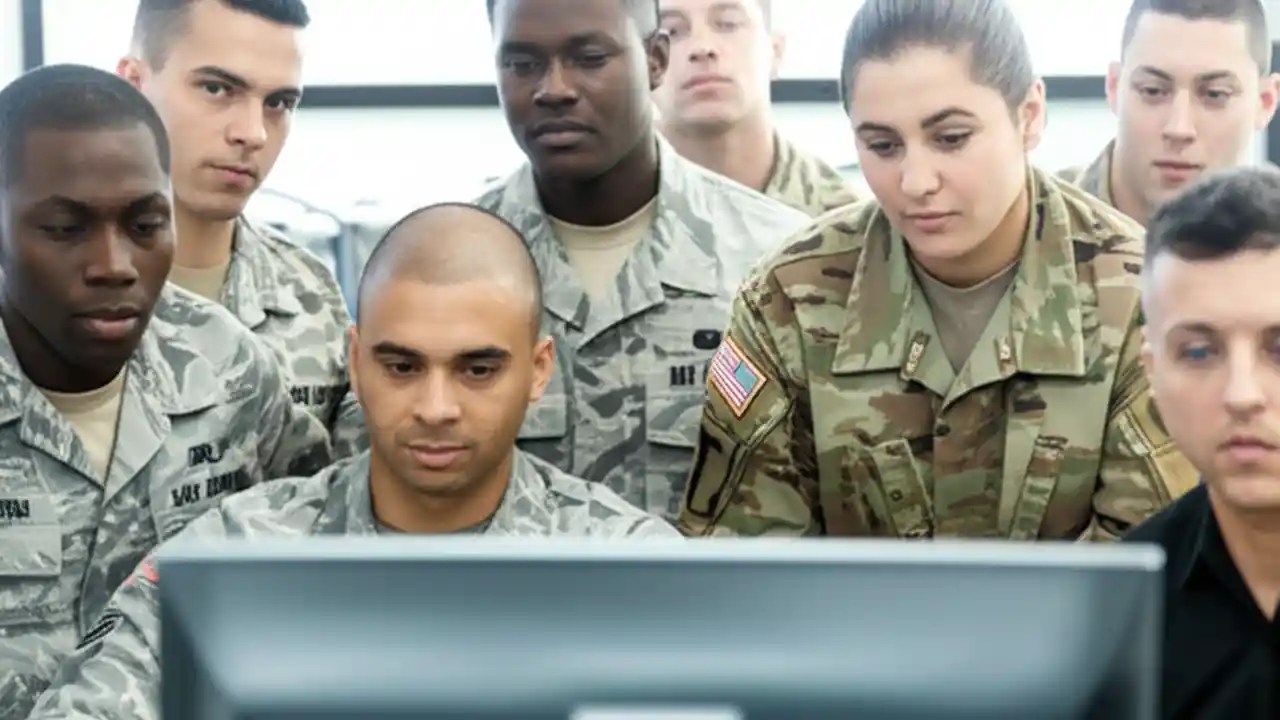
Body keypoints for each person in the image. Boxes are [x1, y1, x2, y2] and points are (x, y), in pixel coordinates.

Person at [26, 202, 680, 720]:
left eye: (478, 369)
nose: (435, 406)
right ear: (356, 361)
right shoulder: (243, 558)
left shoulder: (631, 568)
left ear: (538, 371)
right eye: (402, 366)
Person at [678, 0, 1198, 541]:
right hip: (844, 627)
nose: (916, 181)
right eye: (882, 145)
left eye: (951, 138)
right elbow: (747, 565)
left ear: (1029, 116)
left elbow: (1154, 566)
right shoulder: (790, 301)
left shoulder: (1141, 297)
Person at [0, 64, 332, 719]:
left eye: (146, 225)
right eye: (65, 230)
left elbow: (319, 546)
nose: (115, 266)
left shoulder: (227, 365)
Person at [479, 0, 810, 522]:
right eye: (523, 64)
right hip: (506, 604)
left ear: (656, 59)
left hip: (712, 603)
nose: (554, 88)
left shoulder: (779, 263)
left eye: (589, 57)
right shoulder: (447, 270)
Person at [117, 0, 364, 456]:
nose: (254, 133)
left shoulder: (312, 297)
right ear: (134, 85)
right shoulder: (44, 291)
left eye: (279, 103)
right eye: (216, 88)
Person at [1124, 167, 1280, 719]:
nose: (1242, 395)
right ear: (1152, 373)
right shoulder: (1121, 620)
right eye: (1198, 352)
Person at [1059, 0, 1280, 226]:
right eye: (1152, 91)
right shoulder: (1033, 227)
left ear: (1265, 102)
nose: (1179, 128)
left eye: (1214, 94)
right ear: (1114, 87)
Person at [652, 0, 860, 216]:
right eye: (672, 31)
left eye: (727, 24)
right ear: (647, 60)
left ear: (775, 50)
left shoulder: (847, 222)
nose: (702, 47)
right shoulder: (616, 207)